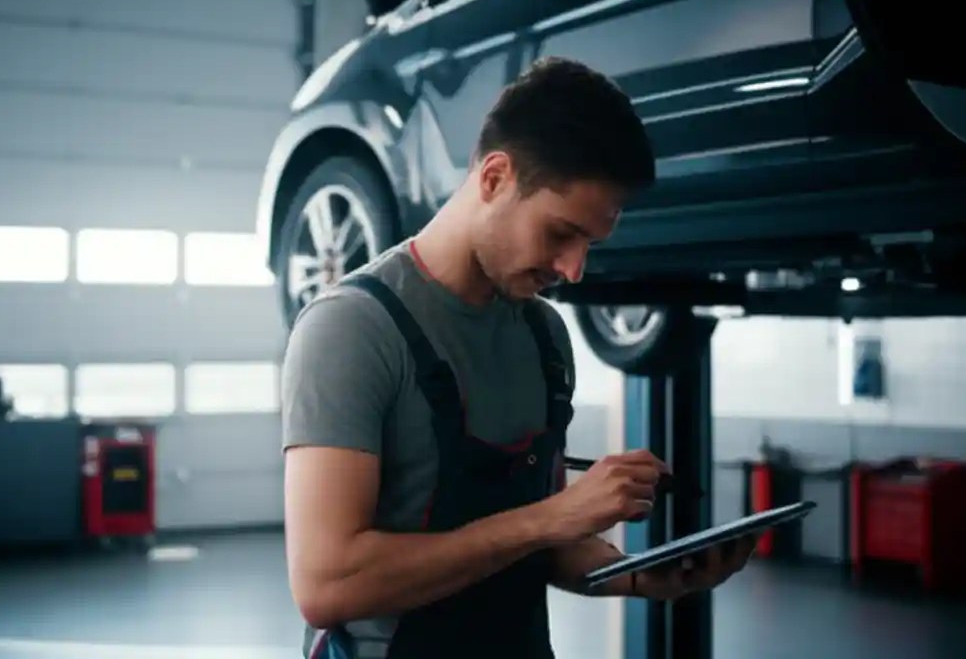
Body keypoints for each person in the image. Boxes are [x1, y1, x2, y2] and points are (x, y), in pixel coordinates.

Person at [280, 57, 756, 659]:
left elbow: (544, 547)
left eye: (589, 244)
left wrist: (641, 575)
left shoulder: (544, 337)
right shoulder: (351, 329)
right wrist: (553, 516)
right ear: (495, 178)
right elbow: (327, 584)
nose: (573, 269)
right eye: (560, 233)